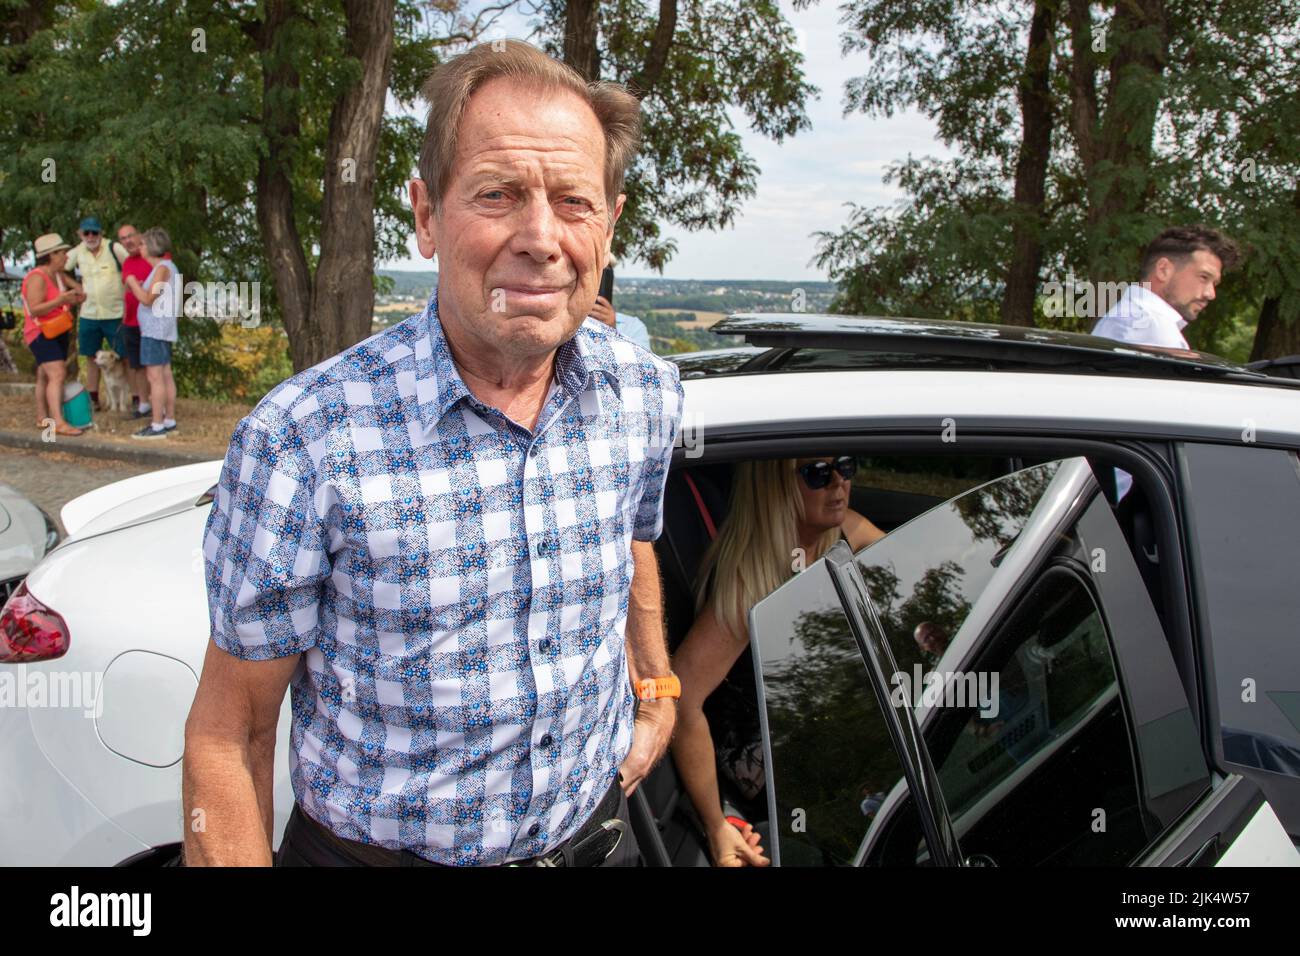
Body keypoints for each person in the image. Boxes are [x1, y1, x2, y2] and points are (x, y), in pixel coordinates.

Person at [183, 39, 685, 868]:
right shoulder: (306, 439)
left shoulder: (644, 394)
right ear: (425, 214)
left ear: (610, 223)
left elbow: (632, 535)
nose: (541, 237)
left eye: (573, 202)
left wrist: (657, 677)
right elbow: (229, 735)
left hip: (597, 838)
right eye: (498, 194)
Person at [671, 456, 886, 866]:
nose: (838, 484)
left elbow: (899, 558)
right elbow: (683, 699)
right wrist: (717, 825)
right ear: (775, 489)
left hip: (808, 715)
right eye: (818, 474)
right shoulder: (747, 581)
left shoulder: (836, 529)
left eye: (846, 466)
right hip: (763, 755)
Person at [1090, 224, 1240, 350]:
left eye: (1214, 284)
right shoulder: (1150, 327)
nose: (1211, 294)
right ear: (1163, 270)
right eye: (1203, 277)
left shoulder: (1130, 316)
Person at [20, 233, 86, 437]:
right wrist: (61, 300)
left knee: (44, 374)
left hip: (57, 329)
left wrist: (72, 295)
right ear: (51, 255)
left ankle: (43, 417)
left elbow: (77, 292)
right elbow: (35, 308)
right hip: (40, 332)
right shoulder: (37, 277)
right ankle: (57, 422)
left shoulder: (57, 275)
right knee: (57, 374)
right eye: (62, 253)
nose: (66, 256)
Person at [63, 216, 126, 410]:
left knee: (124, 355)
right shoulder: (77, 252)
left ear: (101, 233)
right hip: (89, 313)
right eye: (86, 233)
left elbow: (131, 266)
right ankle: (94, 399)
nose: (91, 236)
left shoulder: (113, 248)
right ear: (80, 234)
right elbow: (59, 269)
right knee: (91, 356)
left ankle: (135, 398)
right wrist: (76, 287)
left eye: (94, 232)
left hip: (115, 312)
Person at [124, 227, 180, 439]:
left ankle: (157, 424)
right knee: (165, 375)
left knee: (155, 377)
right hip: (162, 330)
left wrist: (132, 283)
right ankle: (169, 419)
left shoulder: (162, 269)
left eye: (143, 244)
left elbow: (148, 299)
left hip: (154, 331)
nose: (140, 248)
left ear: (152, 247)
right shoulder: (166, 268)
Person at [115, 223, 152, 416]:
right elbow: (127, 291)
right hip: (131, 321)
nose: (128, 241)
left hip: (151, 322)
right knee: (136, 365)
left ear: (139, 235)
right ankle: (143, 403)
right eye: (123, 238)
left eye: (130, 236)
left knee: (153, 367)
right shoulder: (127, 263)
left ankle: (158, 403)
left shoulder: (154, 259)